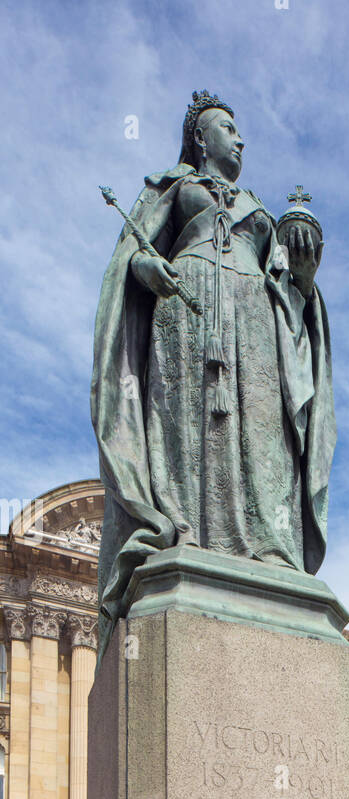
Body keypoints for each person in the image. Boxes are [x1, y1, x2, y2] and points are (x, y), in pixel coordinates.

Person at [92, 90, 336, 662]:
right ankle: (182, 529)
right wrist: (144, 264)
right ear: (202, 138)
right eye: (229, 128)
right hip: (186, 312)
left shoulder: (260, 211)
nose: (241, 139)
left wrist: (304, 274)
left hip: (255, 325)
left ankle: (270, 547)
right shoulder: (172, 189)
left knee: (262, 429)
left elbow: (293, 290)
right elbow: (130, 254)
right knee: (185, 426)